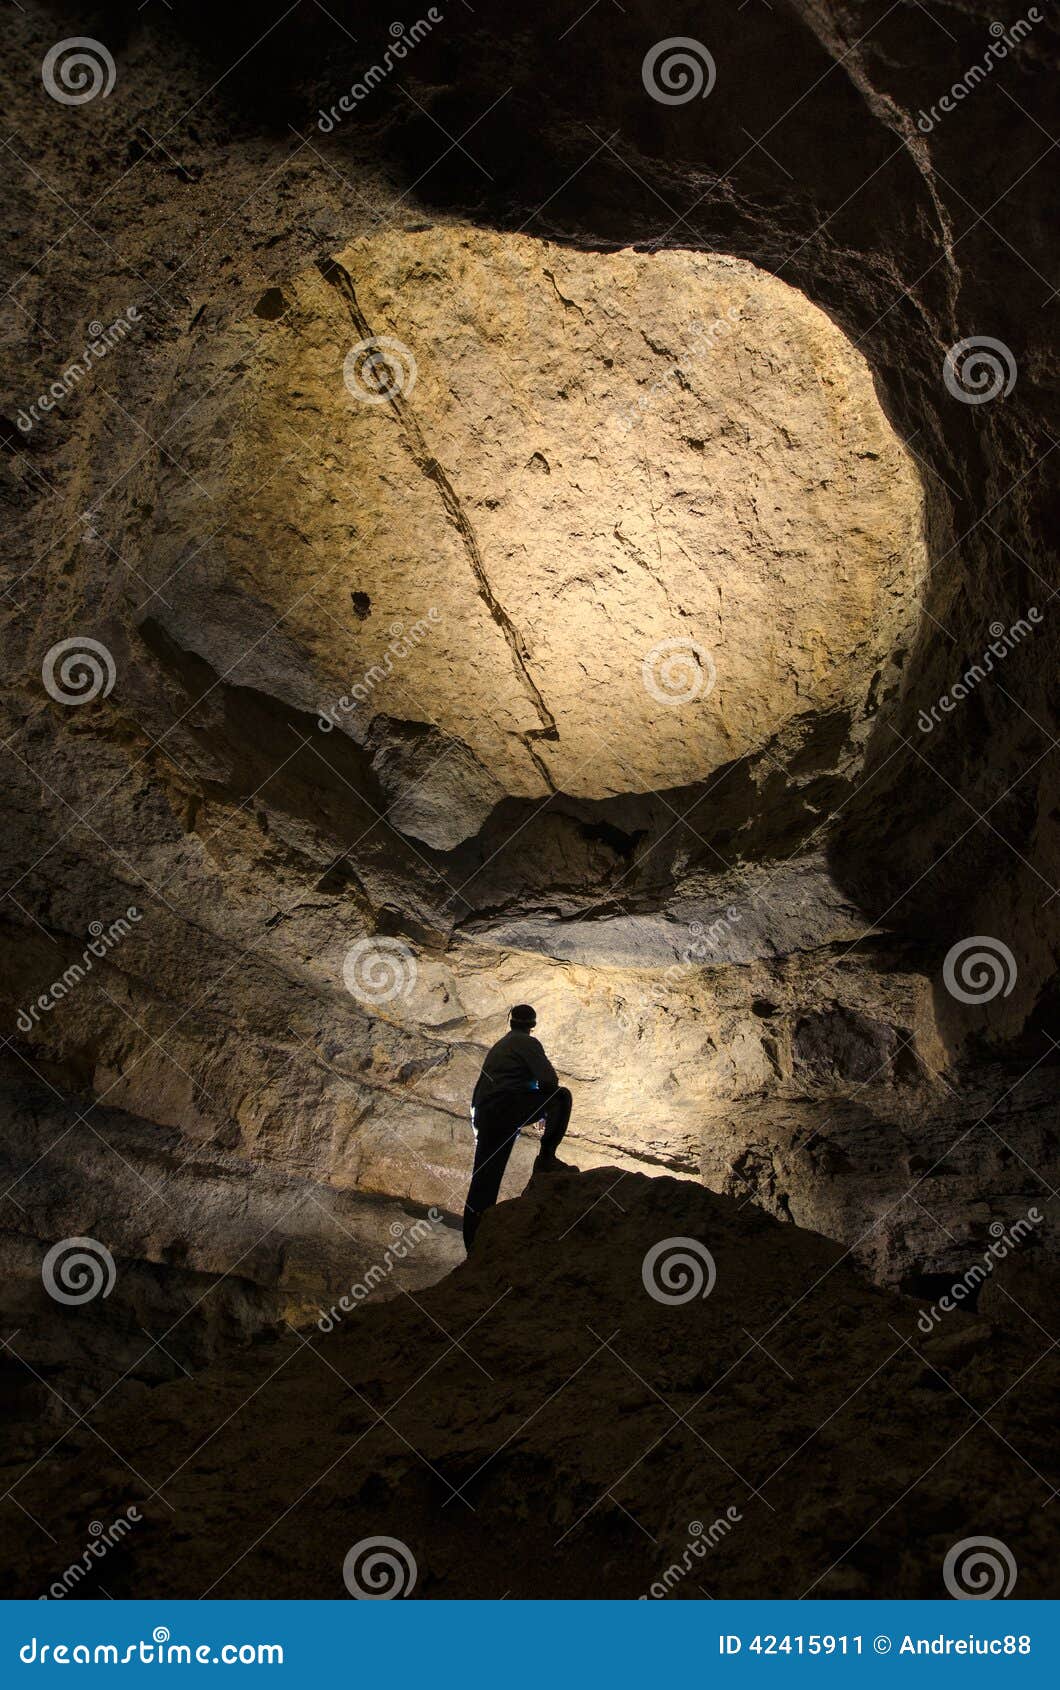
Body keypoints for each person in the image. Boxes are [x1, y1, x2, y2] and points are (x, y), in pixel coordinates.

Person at [462, 1004, 572, 1250]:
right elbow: (549, 1081)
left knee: (484, 1181)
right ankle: (546, 1158)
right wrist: (544, 1109)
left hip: (488, 1114)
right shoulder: (527, 1043)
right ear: (532, 1025)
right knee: (561, 1097)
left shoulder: (502, 1044)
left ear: (510, 1022)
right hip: (504, 1109)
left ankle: (473, 1243)